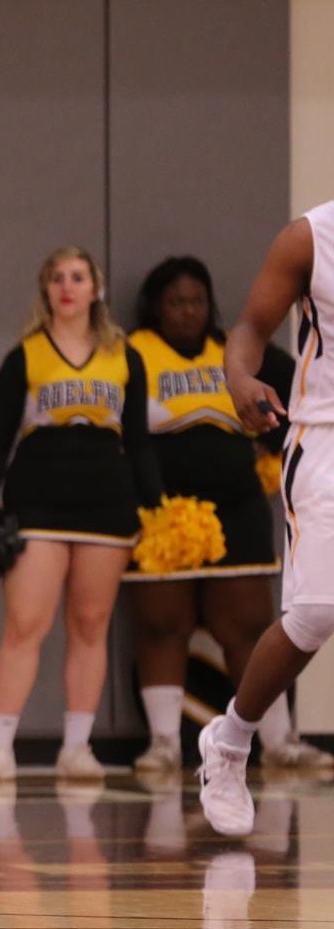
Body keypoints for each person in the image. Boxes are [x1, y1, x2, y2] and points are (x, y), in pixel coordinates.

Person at [0, 247, 161, 782]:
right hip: (37, 501)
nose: (67, 287)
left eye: (77, 277)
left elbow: (139, 441)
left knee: (91, 625)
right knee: (26, 624)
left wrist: (156, 503)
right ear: (45, 290)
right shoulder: (24, 356)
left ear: (96, 289)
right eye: (56, 278)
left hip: (108, 502)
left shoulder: (125, 356)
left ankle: (77, 748)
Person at [123, 258, 327, 773]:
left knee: (252, 626)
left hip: (237, 509)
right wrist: (150, 501)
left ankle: (279, 742)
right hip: (165, 513)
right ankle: (164, 744)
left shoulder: (235, 352)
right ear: (155, 306)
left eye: (196, 300)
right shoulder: (134, 352)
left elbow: (300, 394)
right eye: (175, 301)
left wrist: (277, 453)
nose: (187, 310)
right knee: (162, 626)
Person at [201, 202, 334, 835]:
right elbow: (252, 327)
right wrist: (238, 376)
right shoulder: (311, 237)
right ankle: (229, 743)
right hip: (326, 439)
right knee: (316, 612)